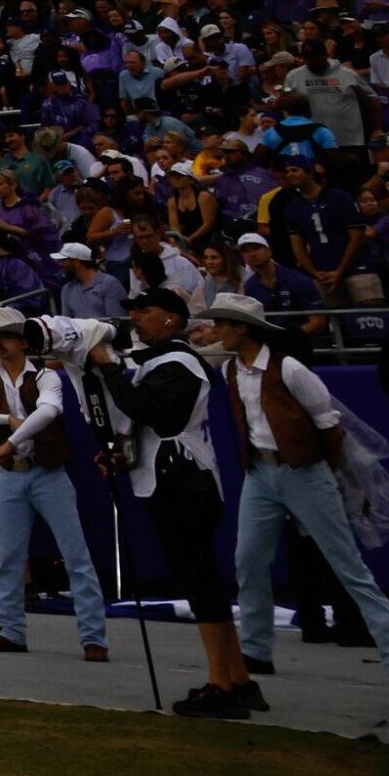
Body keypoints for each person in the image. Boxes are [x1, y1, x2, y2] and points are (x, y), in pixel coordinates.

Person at [209, 293, 389, 689]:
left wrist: (328, 475)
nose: (216, 330)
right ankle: (256, 650)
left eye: (221, 323)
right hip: (260, 472)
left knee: (348, 565)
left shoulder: (289, 370)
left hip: (304, 472)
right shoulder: (231, 372)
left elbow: (330, 427)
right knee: (249, 561)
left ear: (241, 328)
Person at [104, 280, 255, 717]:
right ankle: (238, 678)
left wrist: (108, 368)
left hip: (184, 479)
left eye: (143, 310)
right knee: (200, 578)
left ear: (170, 319)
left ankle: (220, 684)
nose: (134, 317)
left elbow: (153, 412)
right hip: (175, 476)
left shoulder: (180, 361)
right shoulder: (163, 361)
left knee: (199, 578)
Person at [0, 307, 107, 662]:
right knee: (7, 556)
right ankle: (10, 630)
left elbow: (48, 412)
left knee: (76, 555)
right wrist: (5, 417)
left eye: (4, 337)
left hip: (44, 471)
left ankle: (93, 637)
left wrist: (8, 439)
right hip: (14, 473)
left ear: (24, 341)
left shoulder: (45, 378)